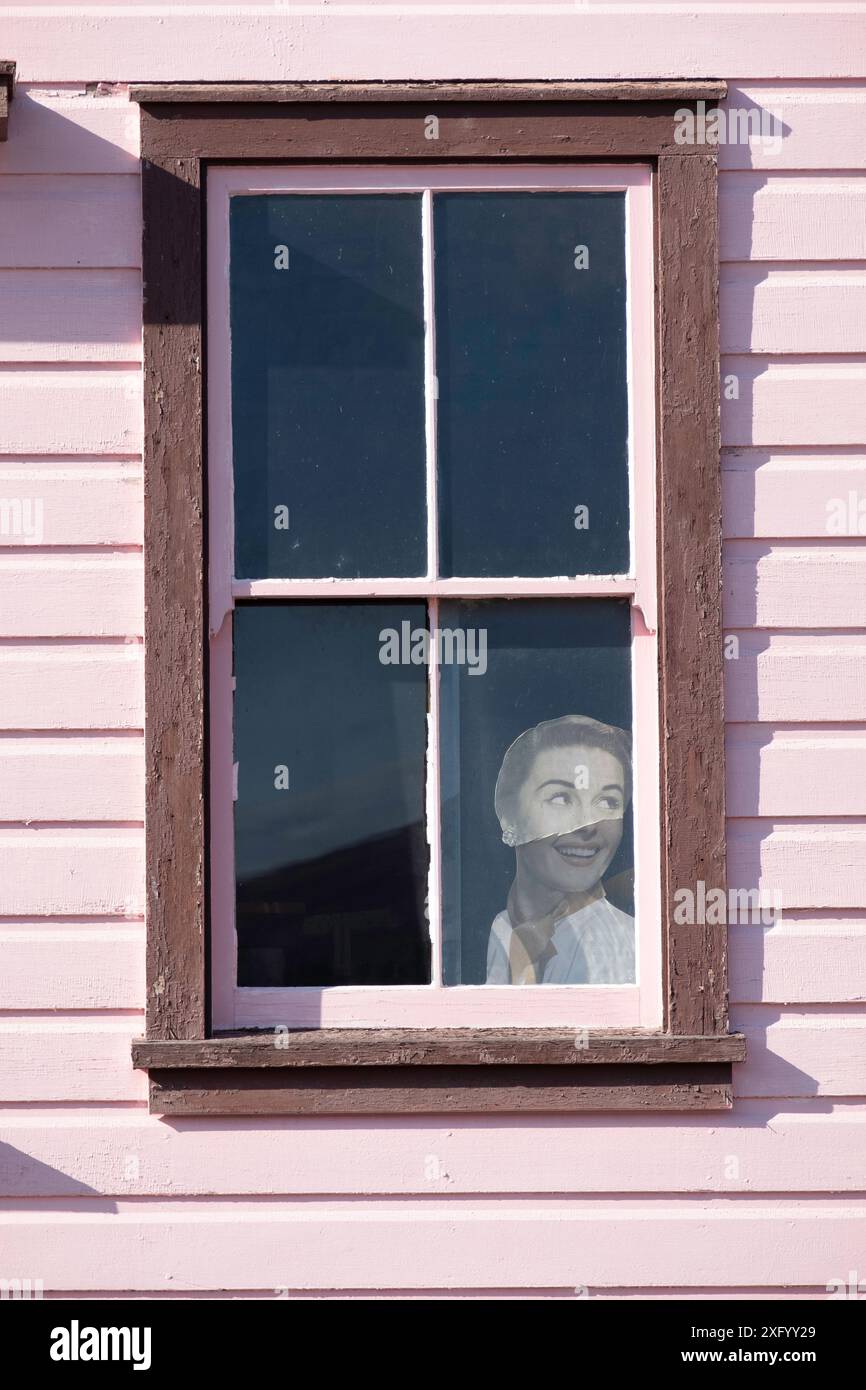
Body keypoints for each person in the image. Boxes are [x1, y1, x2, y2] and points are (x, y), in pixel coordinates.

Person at [486, 714, 635, 985]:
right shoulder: (505, 927)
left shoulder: (616, 945)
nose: (587, 826)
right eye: (561, 798)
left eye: (607, 802)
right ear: (509, 812)